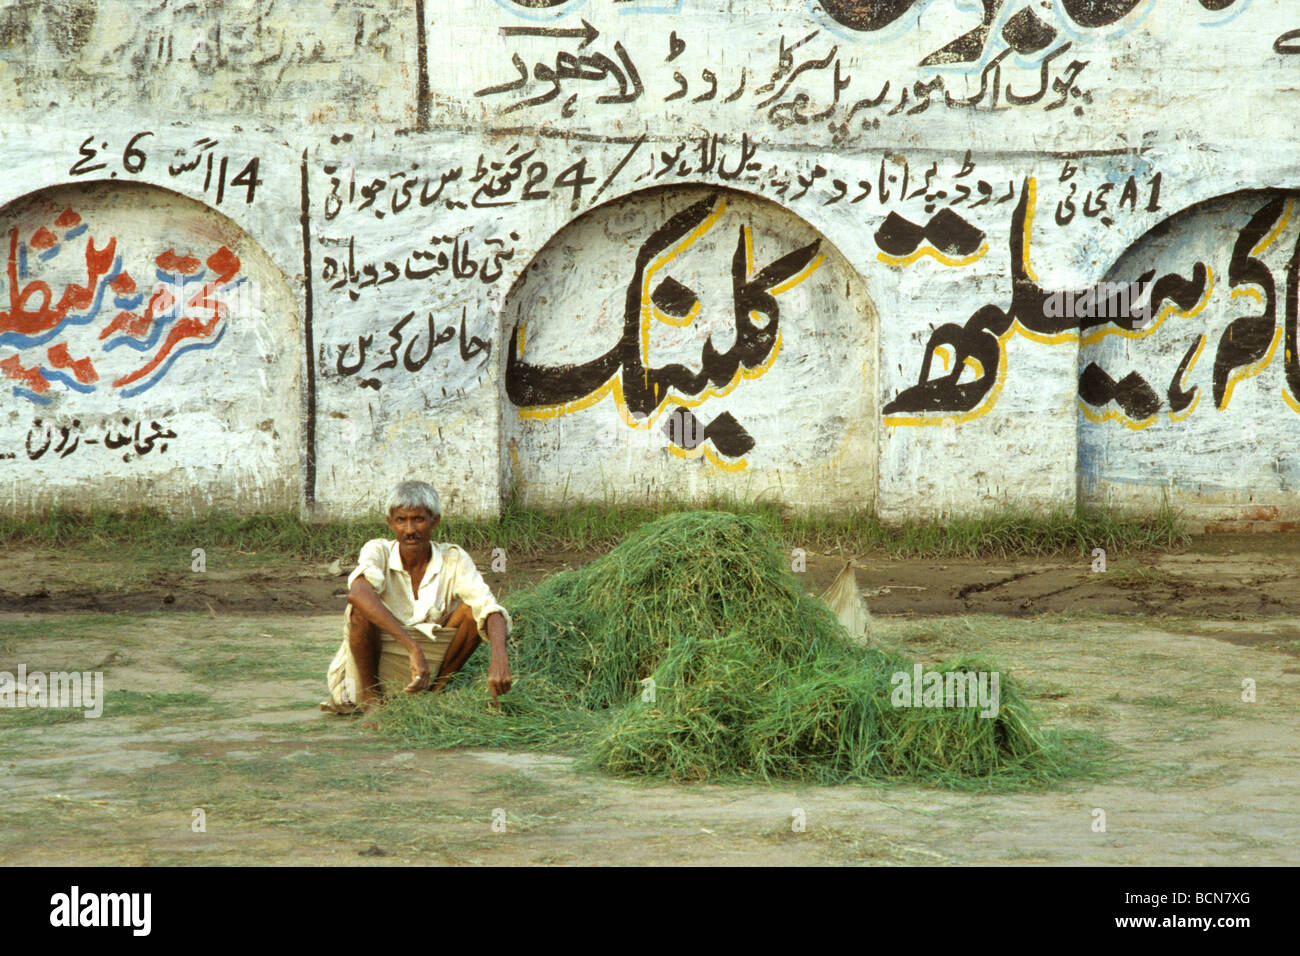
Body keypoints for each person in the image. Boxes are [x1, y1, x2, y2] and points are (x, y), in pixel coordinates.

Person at [322, 480, 512, 715]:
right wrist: (412, 648)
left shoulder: (453, 558)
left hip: (429, 668)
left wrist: (499, 659)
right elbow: (357, 592)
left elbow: (489, 608)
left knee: (472, 612)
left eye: (418, 519)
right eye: (402, 520)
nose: (410, 530)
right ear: (390, 523)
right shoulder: (377, 550)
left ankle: (433, 694)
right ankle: (373, 701)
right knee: (360, 608)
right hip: (378, 664)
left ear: (435, 521)